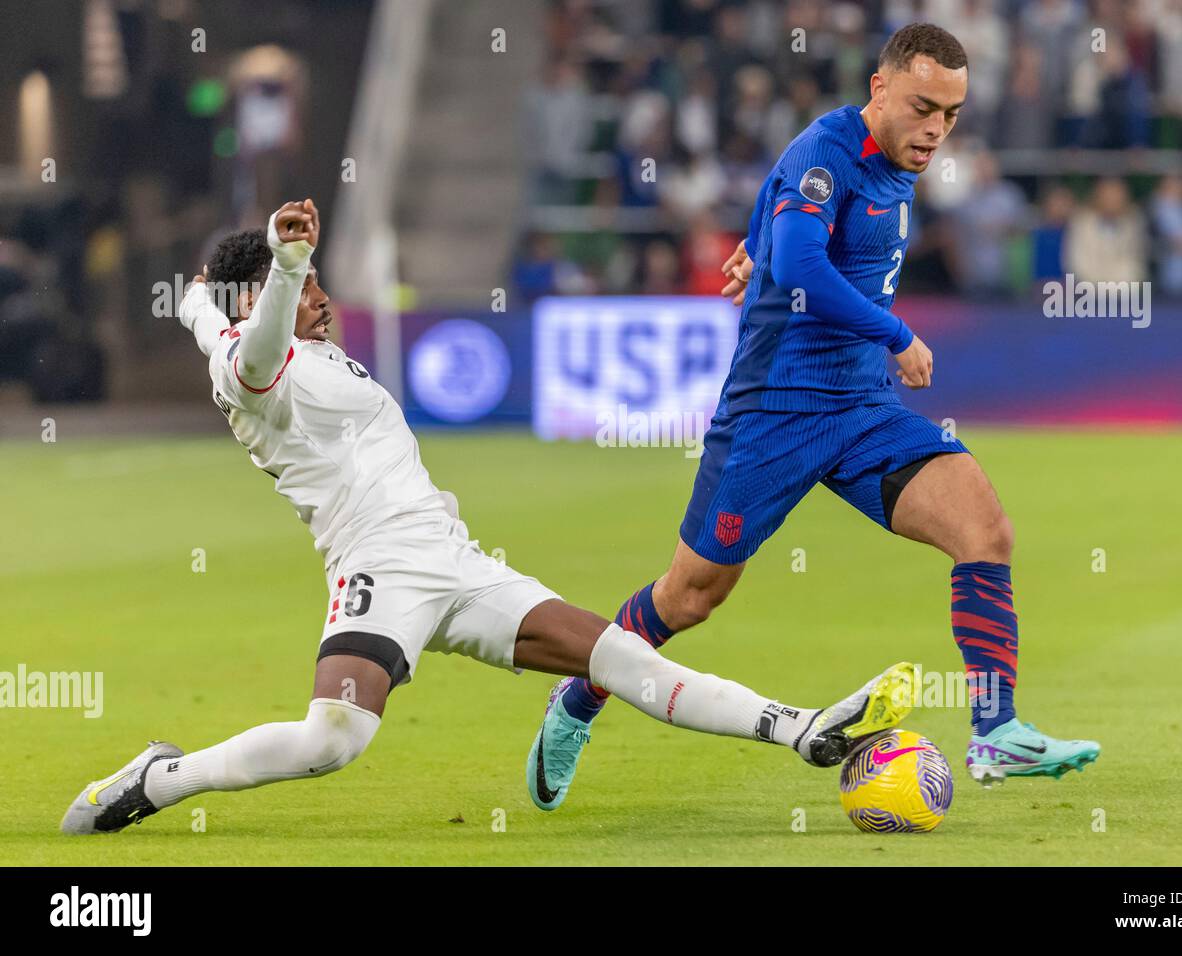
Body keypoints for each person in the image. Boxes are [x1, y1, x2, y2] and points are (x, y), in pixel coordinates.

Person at [61, 200, 918, 835]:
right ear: (265, 303)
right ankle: (162, 779)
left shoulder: (284, 344)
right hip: (378, 571)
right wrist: (282, 269)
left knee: (619, 656)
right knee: (333, 740)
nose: (321, 295)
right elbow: (245, 355)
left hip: (458, 563)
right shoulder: (258, 379)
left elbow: (206, 313)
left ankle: (802, 730)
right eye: (305, 287)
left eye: (317, 281)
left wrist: (209, 293)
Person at [528, 23, 1100, 810]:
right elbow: (801, 263)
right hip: (775, 410)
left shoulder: (894, 159)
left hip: (863, 409)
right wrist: (893, 331)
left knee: (985, 529)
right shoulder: (827, 154)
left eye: (953, 114)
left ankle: (995, 734)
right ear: (878, 88)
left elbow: (783, 224)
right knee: (690, 596)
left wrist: (756, 241)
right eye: (924, 106)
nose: (937, 128)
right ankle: (580, 698)